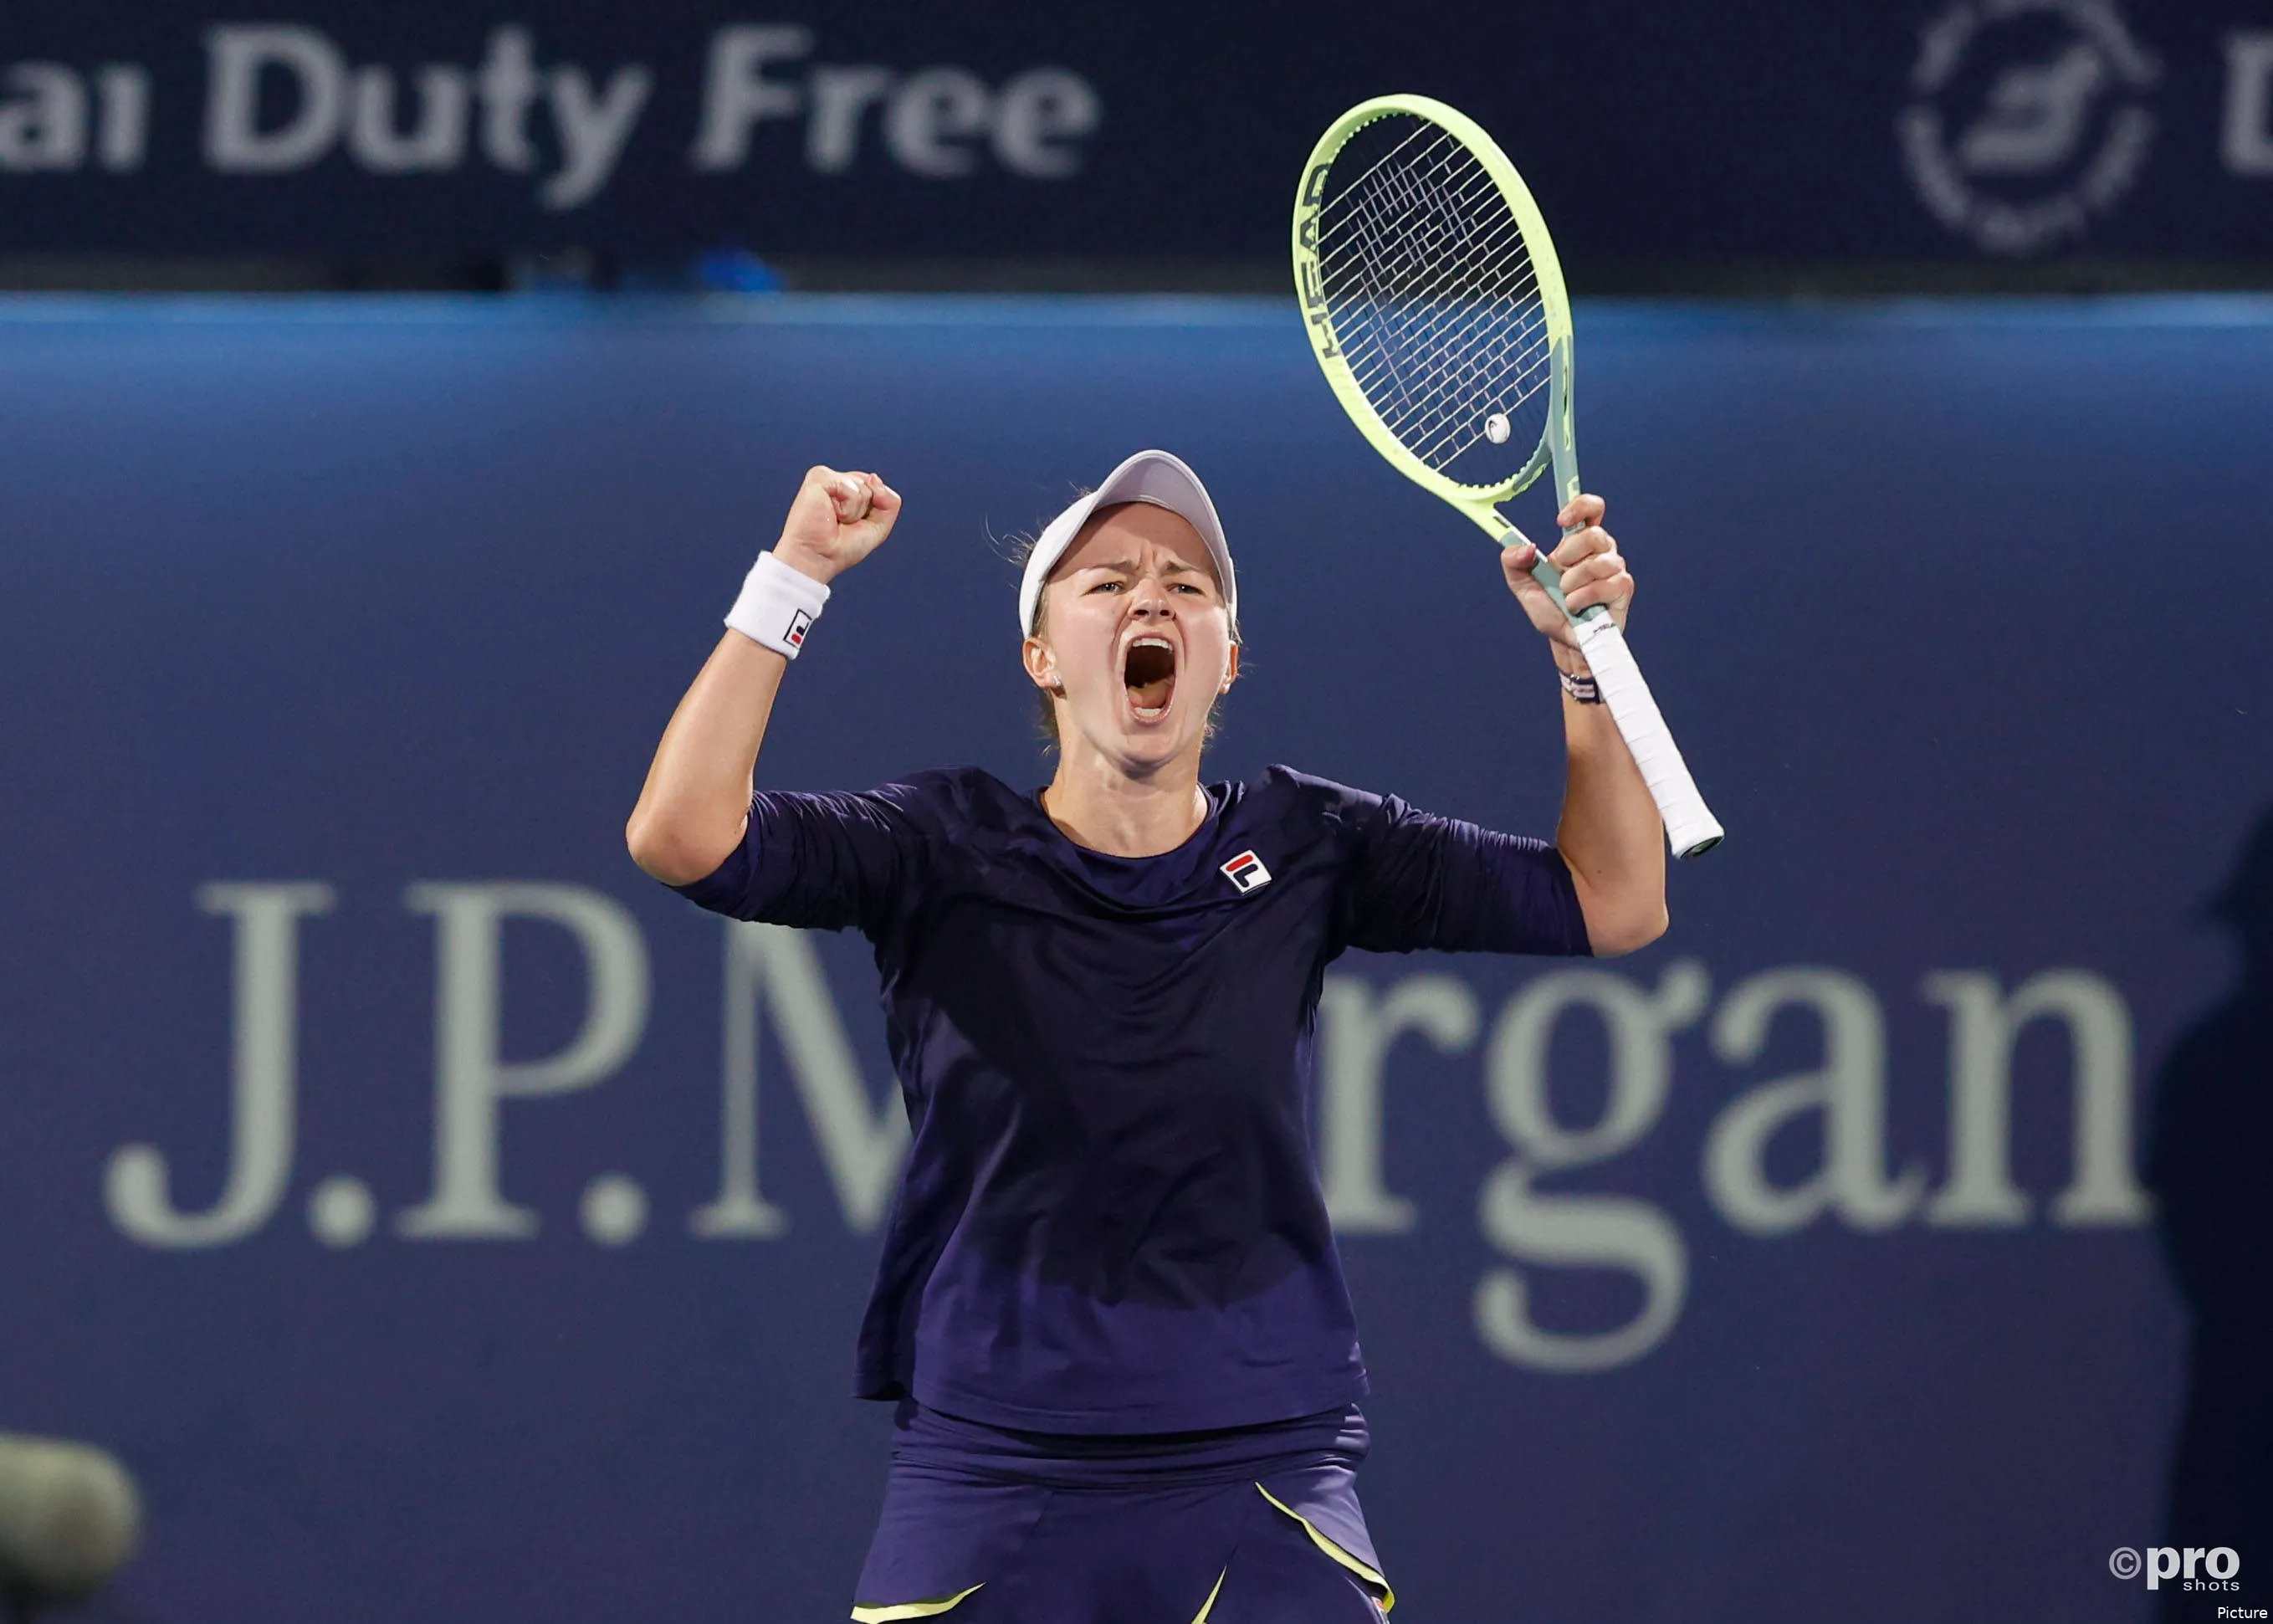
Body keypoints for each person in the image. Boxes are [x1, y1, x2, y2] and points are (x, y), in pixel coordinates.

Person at [626, 451, 1670, 1622]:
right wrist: (795, 575)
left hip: (1261, 1458)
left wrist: (1589, 667)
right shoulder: (938, 843)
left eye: (1187, 586)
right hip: (993, 1457)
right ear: (1041, 656)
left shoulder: (1316, 839)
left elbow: (1615, 900)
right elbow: (683, 835)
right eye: (1107, 582)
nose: (1149, 600)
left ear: (1224, 658)